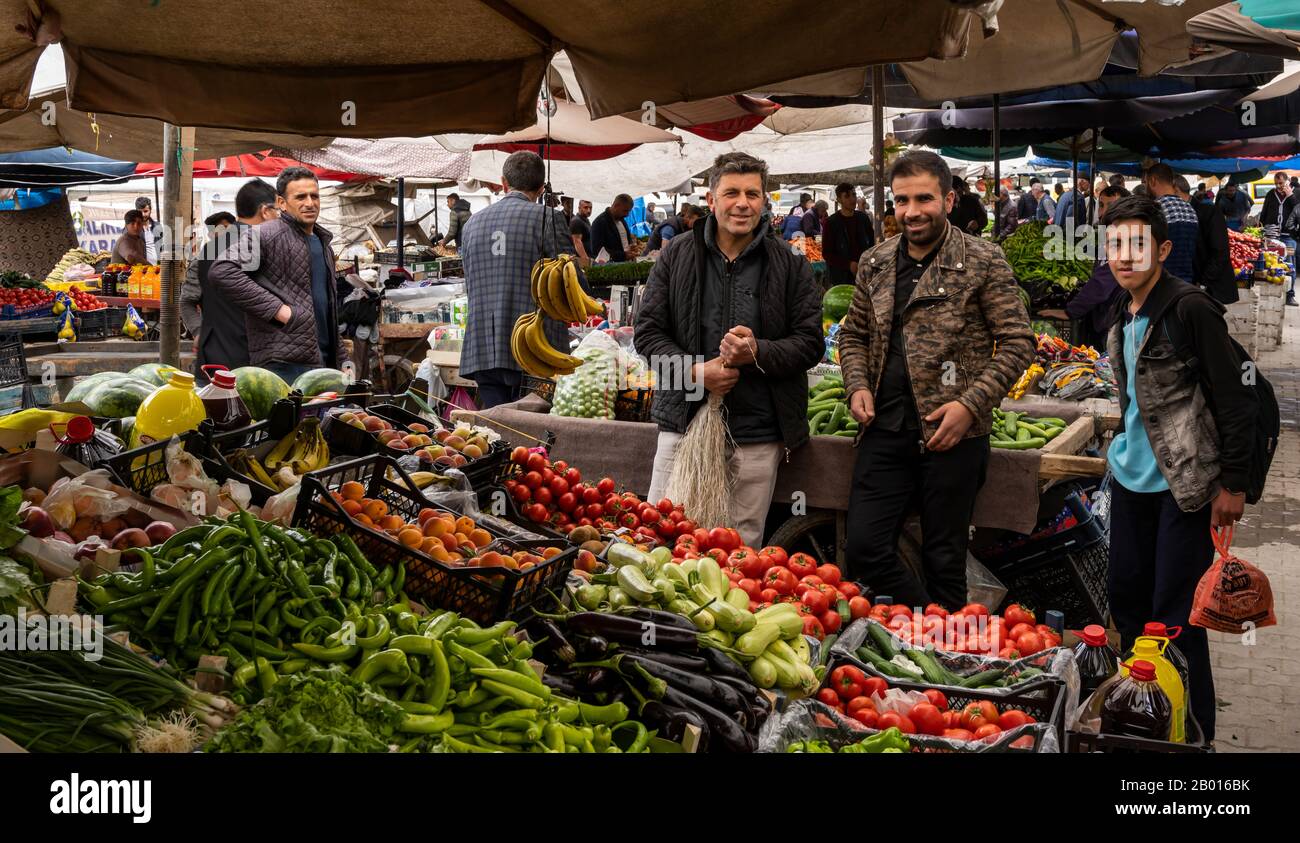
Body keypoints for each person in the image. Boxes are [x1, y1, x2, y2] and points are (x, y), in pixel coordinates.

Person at [837, 150, 1034, 609]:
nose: (911, 212)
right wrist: (857, 384)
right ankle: (935, 624)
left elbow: (1018, 342)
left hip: (952, 436)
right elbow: (853, 335)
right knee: (864, 548)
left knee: (944, 557)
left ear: (947, 200)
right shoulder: (876, 261)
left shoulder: (984, 260)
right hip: (884, 429)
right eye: (901, 201)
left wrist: (970, 406)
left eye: (923, 199)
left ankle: (944, 660)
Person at [1101, 194, 1256, 743]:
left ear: (1162, 249)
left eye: (1136, 245)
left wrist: (1234, 482)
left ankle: (1193, 736)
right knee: (1128, 603)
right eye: (1114, 244)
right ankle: (1136, 721)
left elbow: (1236, 399)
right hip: (1130, 481)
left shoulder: (1191, 308)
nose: (1124, 256)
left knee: (1175, 620)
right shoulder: (1123, 309)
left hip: (1184, 487)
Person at [637, 152, 823, 549]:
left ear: (764, 200)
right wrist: (695, 373)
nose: (743, 203)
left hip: (758, 431)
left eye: (752, 194)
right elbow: (648, 335)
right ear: (711, 199)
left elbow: (809, 344)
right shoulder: (676, 254)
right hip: (683, 422)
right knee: (662, 536)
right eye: (732, 192)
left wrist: (757, 351)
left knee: (739, 546)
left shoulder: (790, 263)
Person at [458, 151, 577, 408]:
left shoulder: (471, 224)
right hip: (534, 349)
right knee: (530, 433)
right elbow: (571, 281)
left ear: (503, 182)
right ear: (542, 188)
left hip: (484, 347)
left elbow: (470, 283)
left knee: (496, 432)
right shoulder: (549, 218)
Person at [208, 167, 341, 385]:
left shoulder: (322, 242)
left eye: (314, 195)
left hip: (322, 360)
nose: (309, 203)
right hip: (283, 362)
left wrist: (341, 358)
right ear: (281, 203)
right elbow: (223, 271)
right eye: (300, 197)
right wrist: (280, 311)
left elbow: (327, 307)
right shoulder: (266, 234)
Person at [181, 182, 280, 380]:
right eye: (277, 210)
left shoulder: (207, 251)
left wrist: (198, 331)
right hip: (259, 365)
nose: (279, 217)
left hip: (212, 362)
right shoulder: (271, 247)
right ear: (265, 211)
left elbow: (186, 301)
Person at [1066, 184, 1128, 349]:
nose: (1103, 212)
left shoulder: (1122, 237)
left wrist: (1070, 311)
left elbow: (1102, 282)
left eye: (1111, 206)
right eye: (1101, 205)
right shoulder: (1107, 234)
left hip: (1116, 321)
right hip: (1104, 317)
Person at [1175, 175, 1238, 306]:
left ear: (1176, 190)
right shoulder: (1175, 214)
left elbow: (1220, 252)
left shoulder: (1209, 212)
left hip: (1210, 289)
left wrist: (1202, 283)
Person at [1143, 163, 1199, 286]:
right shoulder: (1189, 208)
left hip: (1162, 283)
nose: (1145, 186)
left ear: (1152, 181)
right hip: (1187, 282)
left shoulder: (1155, 208)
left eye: (1145, 182)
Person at [824, 183, 876, 286]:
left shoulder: (863, 218)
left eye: (854, 195)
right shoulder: (831, 222)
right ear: (839, 200)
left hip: (864, 274)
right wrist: (848, 265)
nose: (852, 199)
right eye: (847, 196)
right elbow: (827, 254)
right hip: (841, 278)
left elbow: (872, 244)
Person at [590, 194, 634, 262]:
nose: (627, 214)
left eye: (628, 211)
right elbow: (597, 250)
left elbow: (624, 241)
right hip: (612, 267)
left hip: (626, 264)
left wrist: (631, 247)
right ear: (616, 205)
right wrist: (623, 256)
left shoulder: (622, 220)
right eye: (625, 211)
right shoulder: (599, 222)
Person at [569, 199, 594, 267]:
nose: (589, 210)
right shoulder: (576, 221)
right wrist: (586, 259)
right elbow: (577, 241)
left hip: (588, 258)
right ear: (579, 208)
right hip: (581, 261)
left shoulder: (585, 220)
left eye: (590, 208)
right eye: (585, 207)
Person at [135, 197, 159, 264]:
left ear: (150, 210)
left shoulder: (157, 226)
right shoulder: (132, 229)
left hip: (157, 269)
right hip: (140, 270)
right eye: (140, 212)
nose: (143, 214)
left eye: (145, 211)